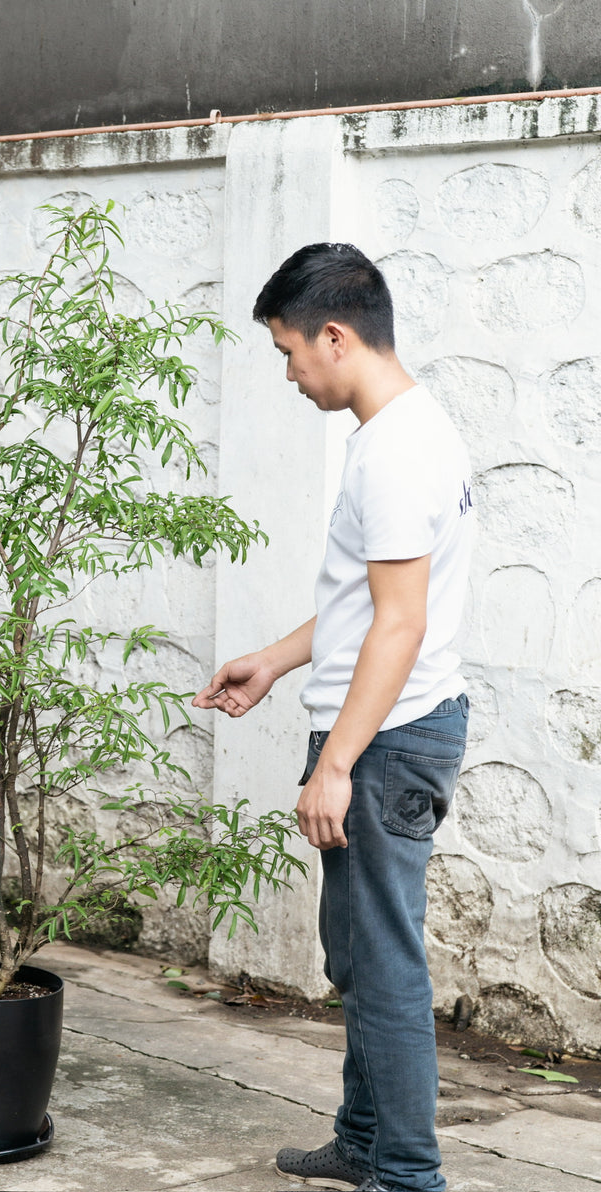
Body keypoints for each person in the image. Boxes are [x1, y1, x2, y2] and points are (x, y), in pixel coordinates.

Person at [194, 243, 475, 1192]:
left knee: (382, 965)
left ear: (336, 336)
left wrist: (337, 763)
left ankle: (405, 1172)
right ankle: (363, 1140)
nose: (288, 373)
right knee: (354, 954)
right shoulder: (409, 430)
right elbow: (367, 602)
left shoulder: (394, 451)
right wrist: (273, 662)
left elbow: (400, 624)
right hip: (393, 730)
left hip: (386, 741)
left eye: (288, 351)